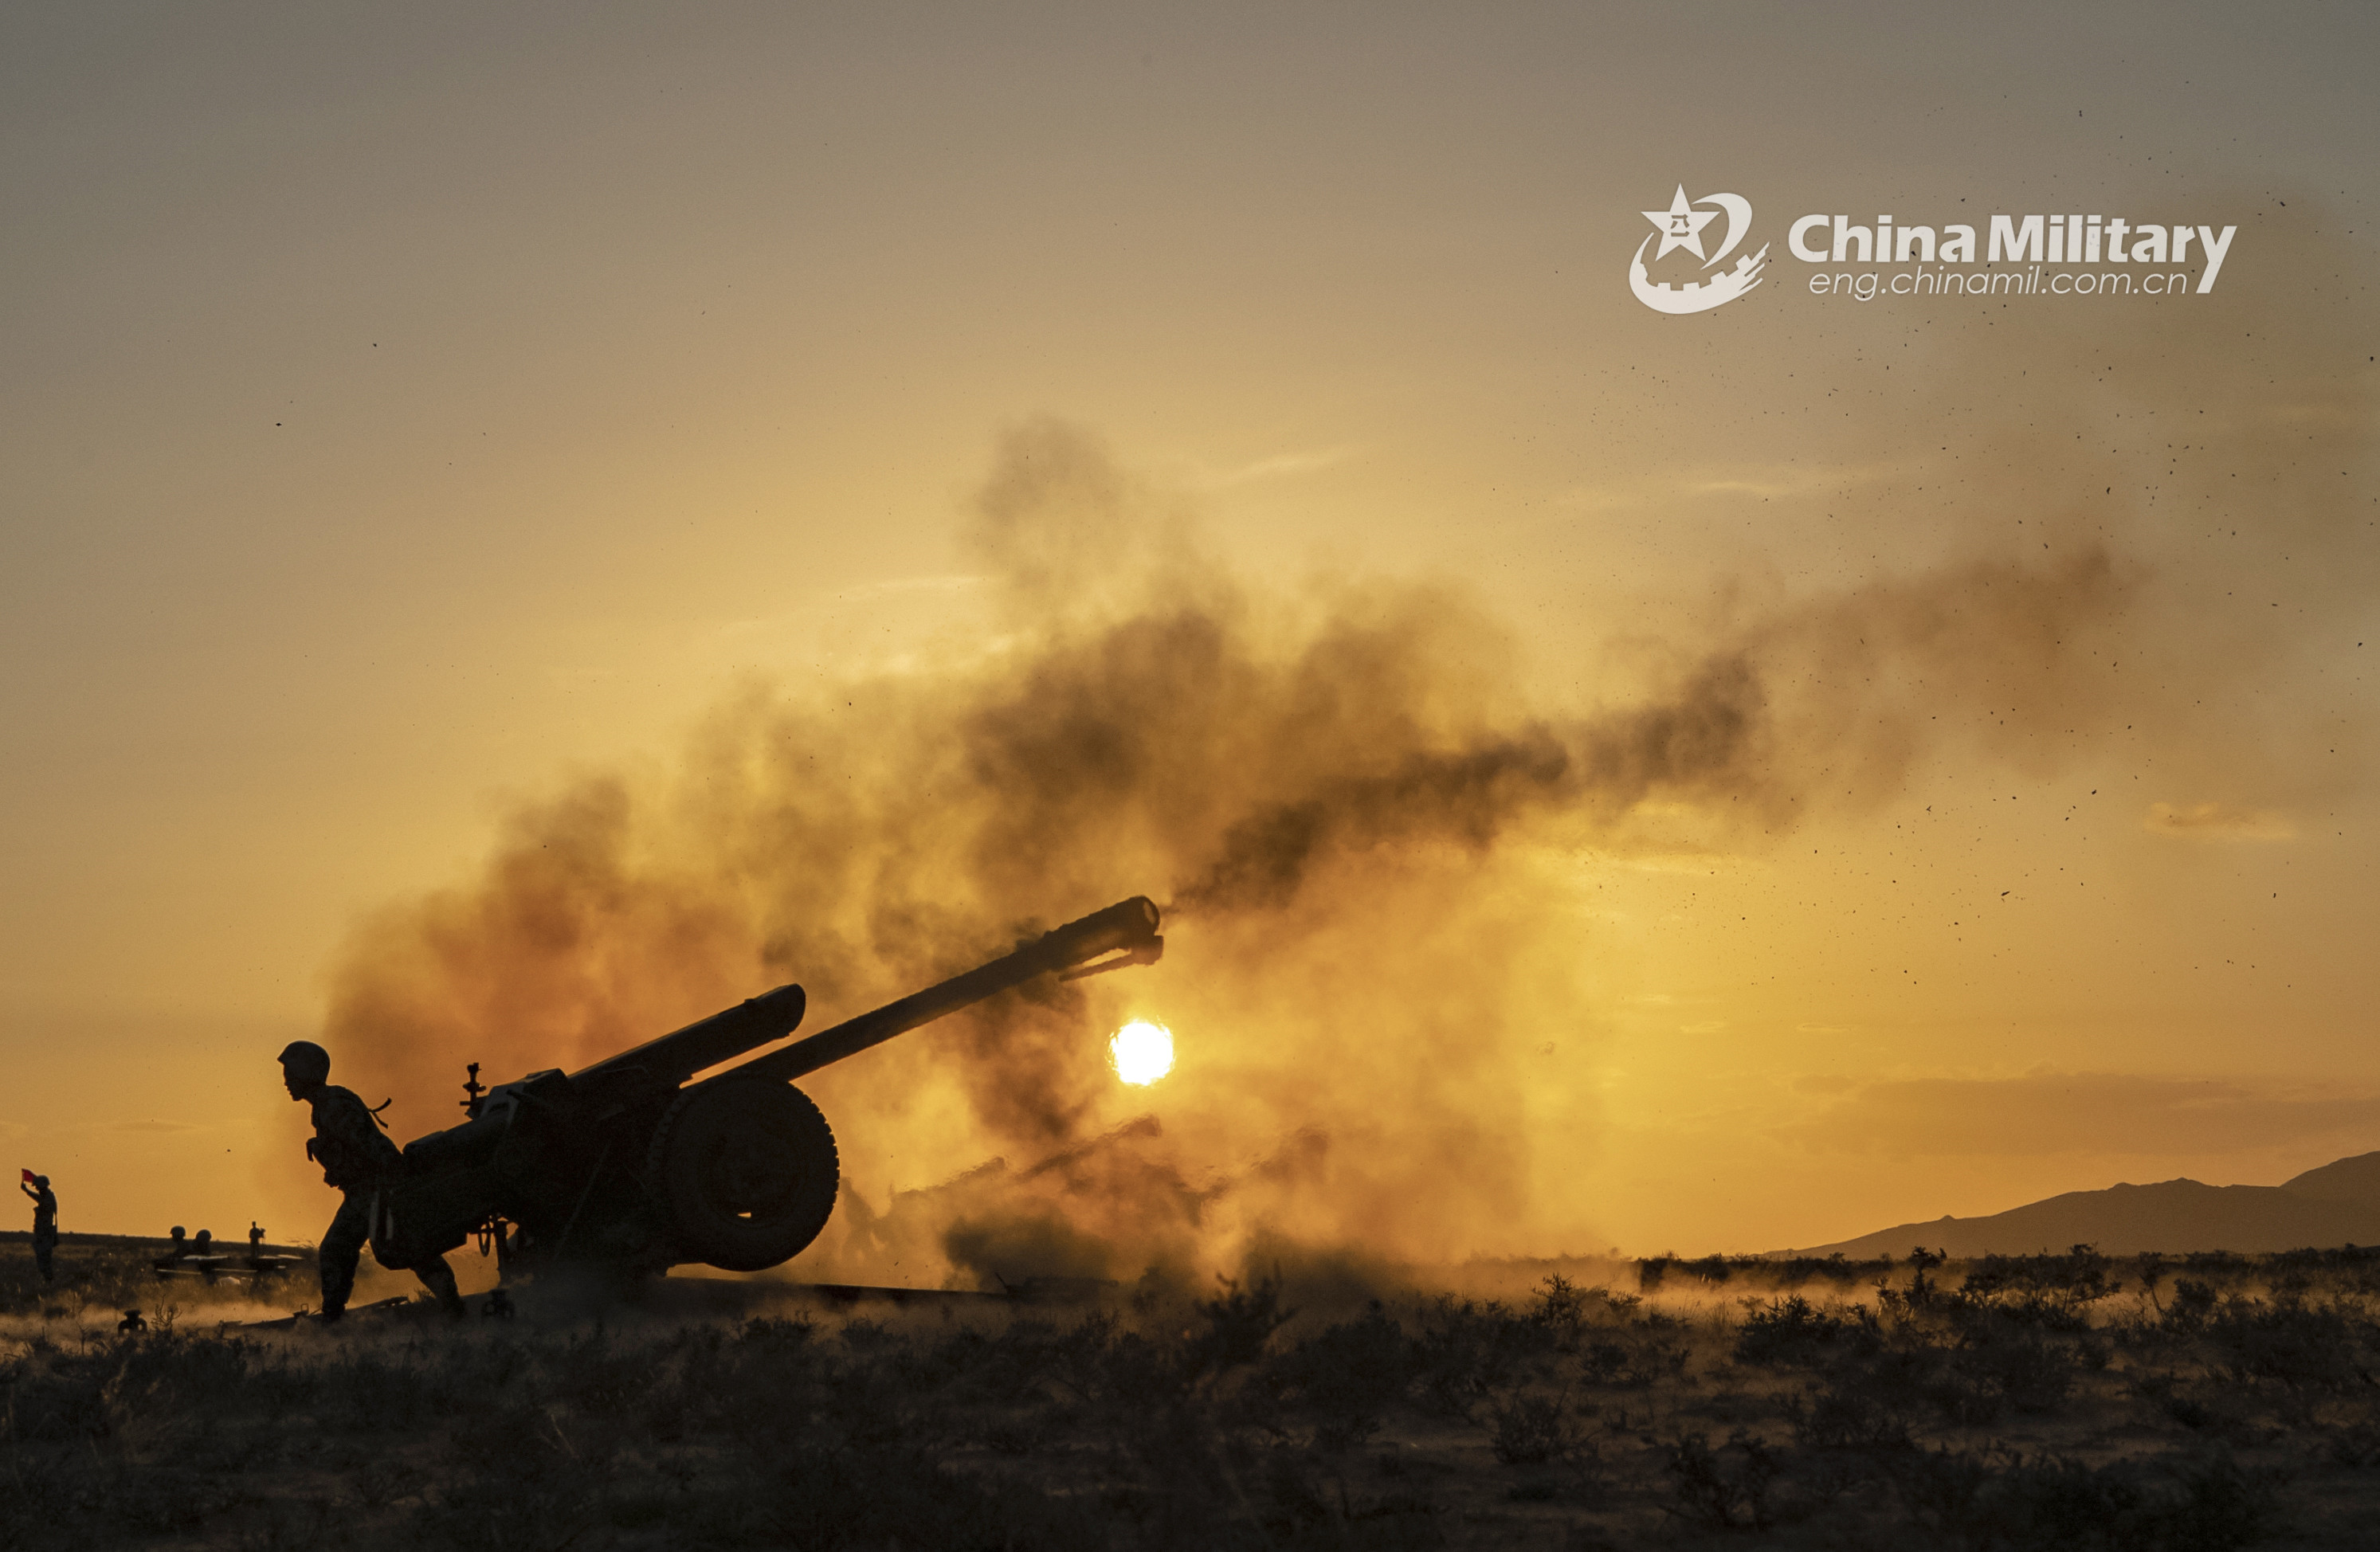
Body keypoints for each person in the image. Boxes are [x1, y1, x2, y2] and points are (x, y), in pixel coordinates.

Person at [276, 1041, 462, 1321]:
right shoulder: (326, 1105)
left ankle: (452, 1307)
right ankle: (451, 1306)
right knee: (384, 1247)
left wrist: (339, 1163)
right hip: (371, 1190)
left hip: (377, 1188)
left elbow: (366, 1149)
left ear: (306, 1072)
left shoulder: (333, 1106)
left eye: (290, 1073)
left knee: (392, 1247)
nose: (286, 1081)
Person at [19, 1170, 58, 1283]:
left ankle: (49, 1282)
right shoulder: (47, 1197)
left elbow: (40, 1200)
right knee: (42, 1261)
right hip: (42, 1234)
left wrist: (27, 1191)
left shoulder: (48, 1198)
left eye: (38, 1187)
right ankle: (48, 1282)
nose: (37, 1189)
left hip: (45, 1235)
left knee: (45, 1261)